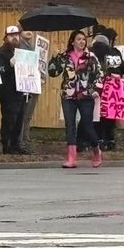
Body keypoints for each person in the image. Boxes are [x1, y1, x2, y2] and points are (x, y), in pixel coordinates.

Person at [48, 30, 103, 169]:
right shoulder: (65, 57)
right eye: (78, 39)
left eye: (83, 39)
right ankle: (71, 157)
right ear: (72, 41)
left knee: (86, 124)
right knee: (70, 125)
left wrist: (95, 90)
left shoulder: (91, 57)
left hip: (86, 95)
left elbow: (100, 75)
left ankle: (96, 150)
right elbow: (53, 73)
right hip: (69, 95)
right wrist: (55, 57)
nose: (82, 42)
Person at [0, 25, 27, 155]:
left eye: (16, 35)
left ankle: (16, 144)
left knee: (20, 119)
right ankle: (6, 144)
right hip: (8, 92)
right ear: (6, 37)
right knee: (9, 119)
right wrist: (9, 65)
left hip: (21, 91)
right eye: (11, 35)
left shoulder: (22, 52)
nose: (14, 38)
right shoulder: (1, 52)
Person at [17, 29, 43, 154]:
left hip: (33, 84)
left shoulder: (33, 46)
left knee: (28, 116)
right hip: (25, 85)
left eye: (31, 30)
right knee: (24, 115)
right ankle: (21, 140)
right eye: (25, 29)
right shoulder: (19, 45)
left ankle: (24, 138)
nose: (29, 32)